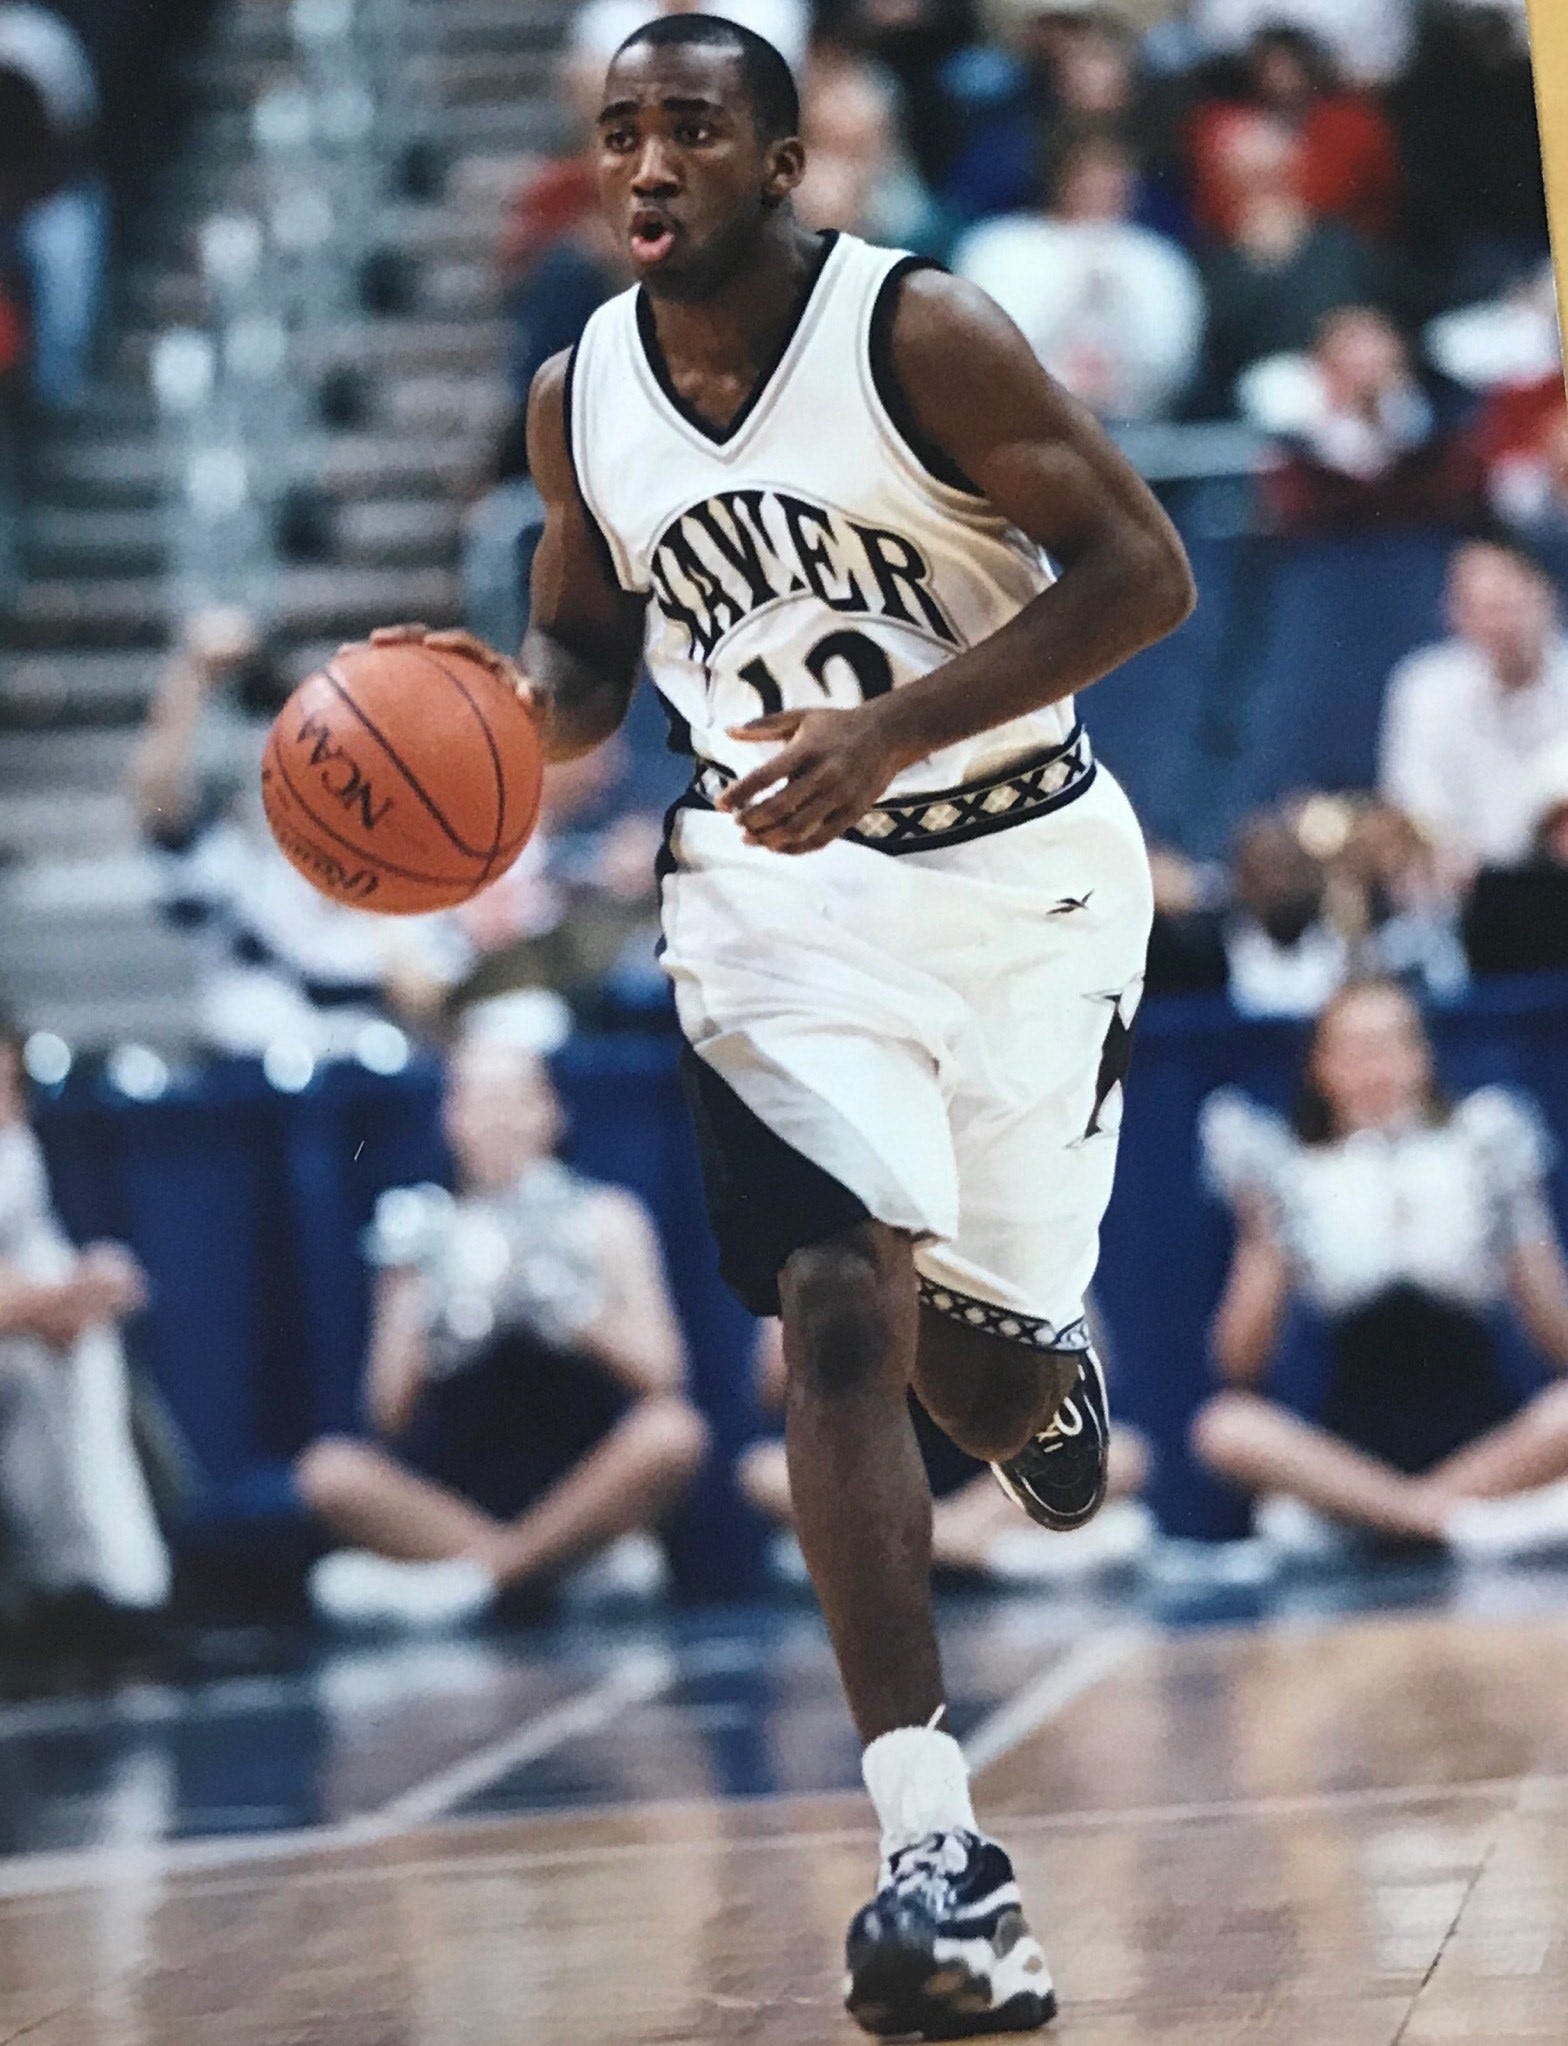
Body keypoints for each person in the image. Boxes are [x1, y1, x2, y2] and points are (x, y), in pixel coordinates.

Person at [372, 14, 1193, 2033]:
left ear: (781, 157)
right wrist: (490, 730)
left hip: (1022, 876)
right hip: (773, 900)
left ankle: (1039, 1386)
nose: (648, 160)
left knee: (985, 1394)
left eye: (691, 127)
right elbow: (582, 645)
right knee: (831, 1307)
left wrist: (895, 727)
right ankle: (936, 1856)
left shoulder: (920, 336)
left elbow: (1146, 574)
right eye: (619, 129)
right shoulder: (579, 394)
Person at [296, 1036, 708, 1630]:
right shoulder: (418, 1230)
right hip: (456, 1493)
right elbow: (385, 1414)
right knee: (327, 1471)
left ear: (552, 1112)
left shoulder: (607, 1218)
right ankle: (531, 1572)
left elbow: (665, 1376)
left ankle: (489, 1578)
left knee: (674, 1435)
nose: (499, 1122)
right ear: (450, 1118)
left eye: (515, 1100)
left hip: (578, 1484)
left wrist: (567, 1308)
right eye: (479, 1102)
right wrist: (436, 1316)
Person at [1192, 978, 1568, 1565]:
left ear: (1424, 1056)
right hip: (1354, 1455)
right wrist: (1263, 1238)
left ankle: (1403, 1521)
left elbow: (1559, 1341)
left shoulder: (1482, 1146)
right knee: (1226, 1427)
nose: (1377, 1068)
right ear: (1321, 1066)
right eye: (1356, 1049)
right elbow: (1238, 1365)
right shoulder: (1294, 1168)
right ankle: (1434, 1521)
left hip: (1484, 1447)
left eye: (1393, 1045)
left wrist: (1522, 1214)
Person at [0, 1013, 171, 1669]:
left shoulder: (15, 1151)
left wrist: (90, 1284)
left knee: (79, 1351)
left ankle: (108, 1587)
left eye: (13, 1084)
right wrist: (53, 1302)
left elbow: (43, 1265)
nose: (7, 1103)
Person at [742, 1314, 1154, 1582]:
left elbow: (1081, 1366)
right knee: (764, 1472)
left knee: (1119, 1456)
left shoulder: (1018, 1216)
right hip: (880, 1480)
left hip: (995, 1481)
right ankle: (945, 1544)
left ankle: (943, 1547)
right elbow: (777, 1385)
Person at [954, 126, 1204, 425]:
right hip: (1019, 426)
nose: (1105, 185)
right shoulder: (1000, 244)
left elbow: (1174, 360)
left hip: (1135, 428)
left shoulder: (1158, 255)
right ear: (1060, 175)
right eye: (1090, 173)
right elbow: (984, 345)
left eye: (1115, 173)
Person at [1378, 538, 1568, 879]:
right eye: (1488, 610)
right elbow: (1414, 803)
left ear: (1546, 596)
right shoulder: (1423, 687)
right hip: (1463, 892)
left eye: (1512, 606)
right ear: (1455, 615)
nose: (1504, 626)